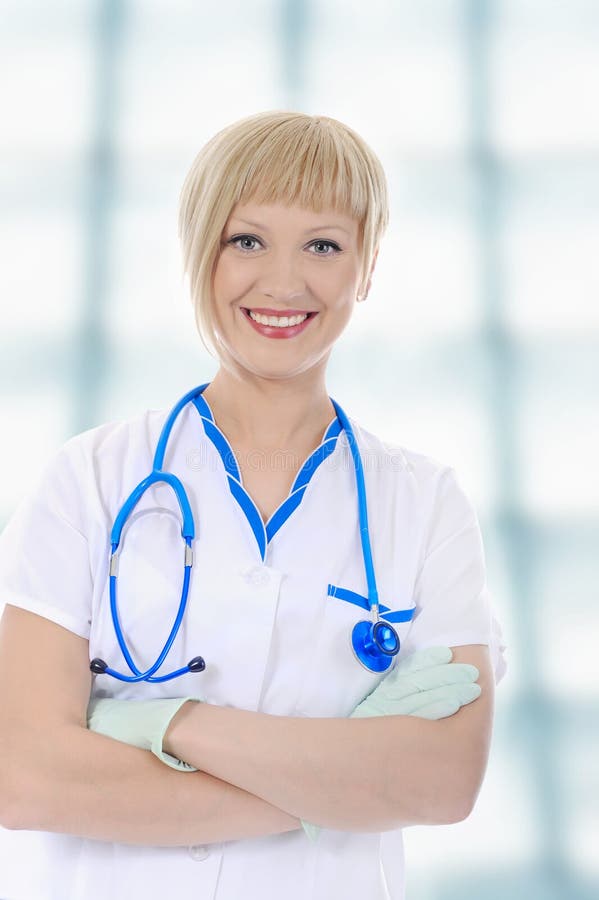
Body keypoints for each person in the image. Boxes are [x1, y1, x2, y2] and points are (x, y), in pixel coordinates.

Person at [0, 110, 507, 900]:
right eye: (247, 240)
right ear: (197, 253)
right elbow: (26, 777)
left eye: (324, 245)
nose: (282, 281)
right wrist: (343, 784)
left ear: (366, 268)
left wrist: (163, 725)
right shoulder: (86, 481)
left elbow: (441, 784)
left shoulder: (425, 504)